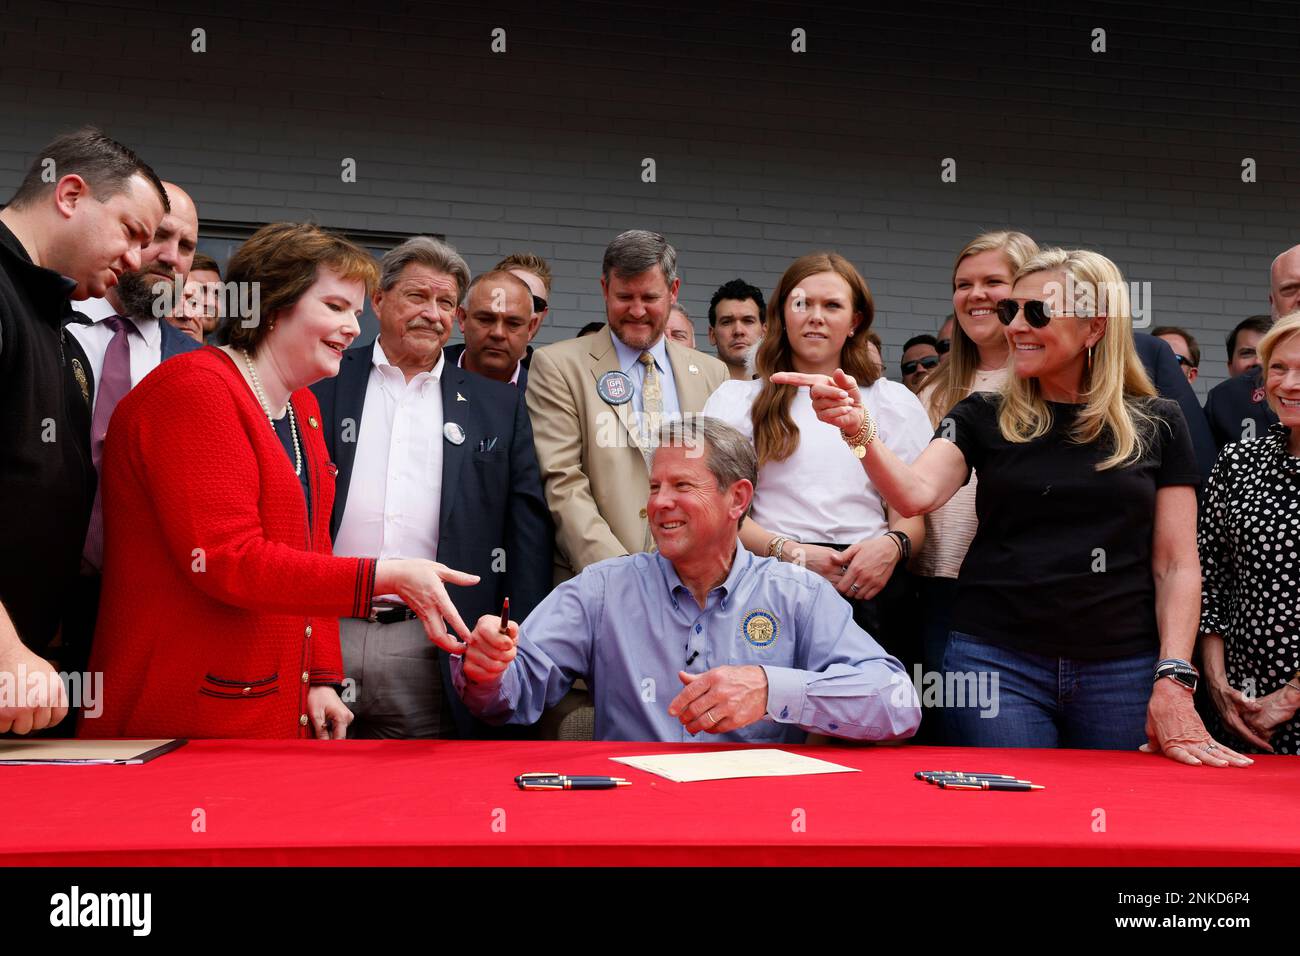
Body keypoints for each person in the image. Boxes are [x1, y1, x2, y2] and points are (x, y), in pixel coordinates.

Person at [775, 248, 1252, 767]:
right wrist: (858, 431)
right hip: (996, 662)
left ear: (1094, 327)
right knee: (1011, 829)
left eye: (1038, 313)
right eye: (1011, 311)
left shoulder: (1157, 421)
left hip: (1122, 667)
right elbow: (914, 494)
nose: (1016, 326)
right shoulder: (982, 413)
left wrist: (1175, 677)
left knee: (1120, 828)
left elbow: (1178, 564)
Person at [83, 223, 479, 740]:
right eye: (335, 307)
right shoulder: (195, 390)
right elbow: (227, 558)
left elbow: (311, 546)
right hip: (181, 707)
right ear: (272, 306)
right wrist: (383, 576)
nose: (354, 329)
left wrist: (320, 675)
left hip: (265, 700)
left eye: (356, 313)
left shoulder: (302, 408)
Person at [451, 417, 921, 743]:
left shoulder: (797, 594)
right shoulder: (602, 590)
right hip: (633, 820)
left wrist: (771, 689)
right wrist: (487, 671)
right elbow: (510, 695)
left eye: (681, 486)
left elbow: (897, 702)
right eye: (655, 487)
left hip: (757, 821)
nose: (659, 502)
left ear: (738, 499)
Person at [313, 240, 551, 738]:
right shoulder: (322, 378)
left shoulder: (496, 406)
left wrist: (516, 636)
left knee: (420, 803)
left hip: (433, 644)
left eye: (445, 303)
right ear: (378, 301)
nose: (432, 313)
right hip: (322, 635)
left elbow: (525, 530)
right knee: (308, 794)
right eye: (417, 296)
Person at [0, 126, 167, 735]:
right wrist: (7, 650)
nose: (135, 262)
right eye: (132, 232)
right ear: (69, 194)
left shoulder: (58, 330)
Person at [703, 252, 929, 674]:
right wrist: (791, 553)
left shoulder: (892, 401)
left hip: (871, 583)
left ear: (856, 320)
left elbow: (913, 512)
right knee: (770, 727)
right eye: (802, 303)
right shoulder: (736, 401)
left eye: (832, 306)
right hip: (770, 579)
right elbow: (721, 511)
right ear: (781, 315)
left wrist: (890, 548)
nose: (815, 317)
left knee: (865, 726)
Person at [526, 229, 728, 580]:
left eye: (650, 297)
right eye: (624, 297)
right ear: (604, 289)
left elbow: (722, 481)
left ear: (673, 291)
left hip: (695, 581)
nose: (637, 311)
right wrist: (619, 575)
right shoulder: (558, 366)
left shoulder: (712, 374)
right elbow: (562, 481)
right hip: (599, 582)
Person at [913, 231, 1039, 735]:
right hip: (927, 590)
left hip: (1007, 598)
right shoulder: (929, 389)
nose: (976, 295)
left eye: (994, 282)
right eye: (963, 284)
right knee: (937, 738)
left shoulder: (1044, 386)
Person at [1199, 312, 1300, 755]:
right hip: (1243, 709)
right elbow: (1211, 576)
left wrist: (1293, 694)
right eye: (1278, 368)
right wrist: (1219, 687)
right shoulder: (1239, 460)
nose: (1289, 383)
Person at [446, 269, 539, 387]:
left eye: (513, 324)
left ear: (531, 327)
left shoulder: (541, 396)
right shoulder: (426, 374)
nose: (498, 333)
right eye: (485, 320)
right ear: (462, 318)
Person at [1204, 315, 1278, 450]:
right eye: (1247, 353)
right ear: (1230, 366)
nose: (1258, 361)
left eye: (1268, 352)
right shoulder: (1219, 403)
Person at [494, 251, 551, 361]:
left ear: (542, 315)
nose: (521, 312)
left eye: (535, 303)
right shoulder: (450, 362)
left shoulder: (546, 376)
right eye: (510, 298)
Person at [707, 278, 766, 381]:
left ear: (765, 332)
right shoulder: (694, 386)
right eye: (727, 322)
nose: (738, 331)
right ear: (712, 335)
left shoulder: (781, 390)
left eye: (748, 321)